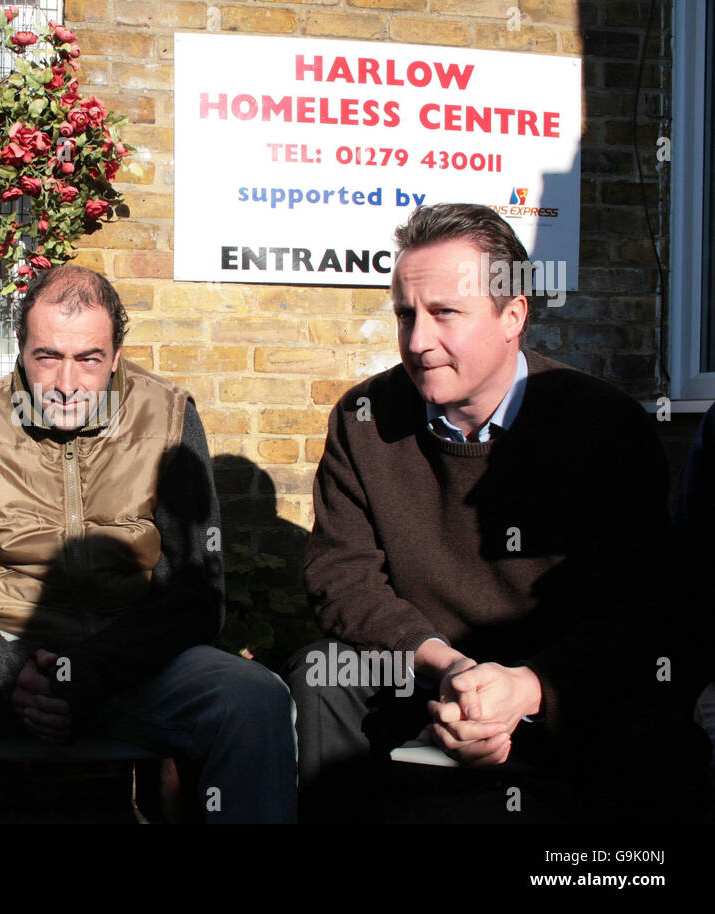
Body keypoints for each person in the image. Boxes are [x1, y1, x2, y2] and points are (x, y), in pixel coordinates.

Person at [0, 265, 295, 823]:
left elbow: (196, 593)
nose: (67, 383)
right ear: (20, 350)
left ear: (117, 356)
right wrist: (10, 676)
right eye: (47, 356)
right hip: (1, 659)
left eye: (89, 358)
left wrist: (91, 672)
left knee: (256, 700)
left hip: (137, 668)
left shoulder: (168, 418)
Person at [286, 202, 711, 823]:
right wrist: (448, 666)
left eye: (444, 314)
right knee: (323, 671)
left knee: (654, 720)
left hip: (563, 686)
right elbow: (341, 580)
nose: (417, 340)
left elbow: (639, 603)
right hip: (426, 676)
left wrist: (529, 687)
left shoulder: (603, 425)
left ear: (513, 315)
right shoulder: (366, 418)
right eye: (406, 314)